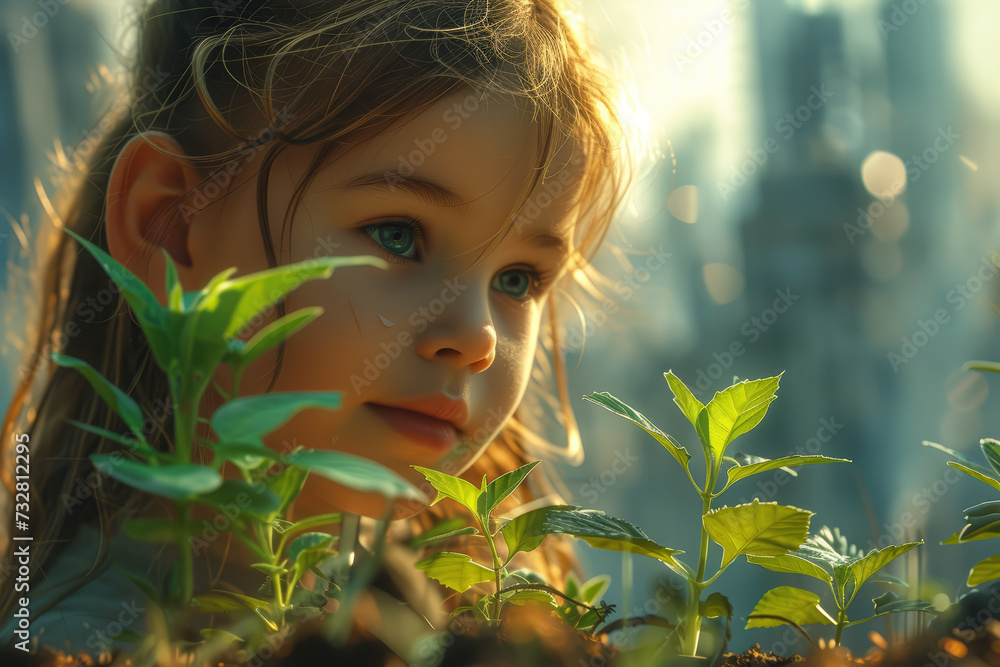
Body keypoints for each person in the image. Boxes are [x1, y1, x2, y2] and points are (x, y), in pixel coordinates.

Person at [0, 0, 636, 660]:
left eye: (517, 279)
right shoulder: (76, 645)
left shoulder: (451, 609)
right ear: (171, 225)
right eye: (399, 235)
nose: (477, 337)